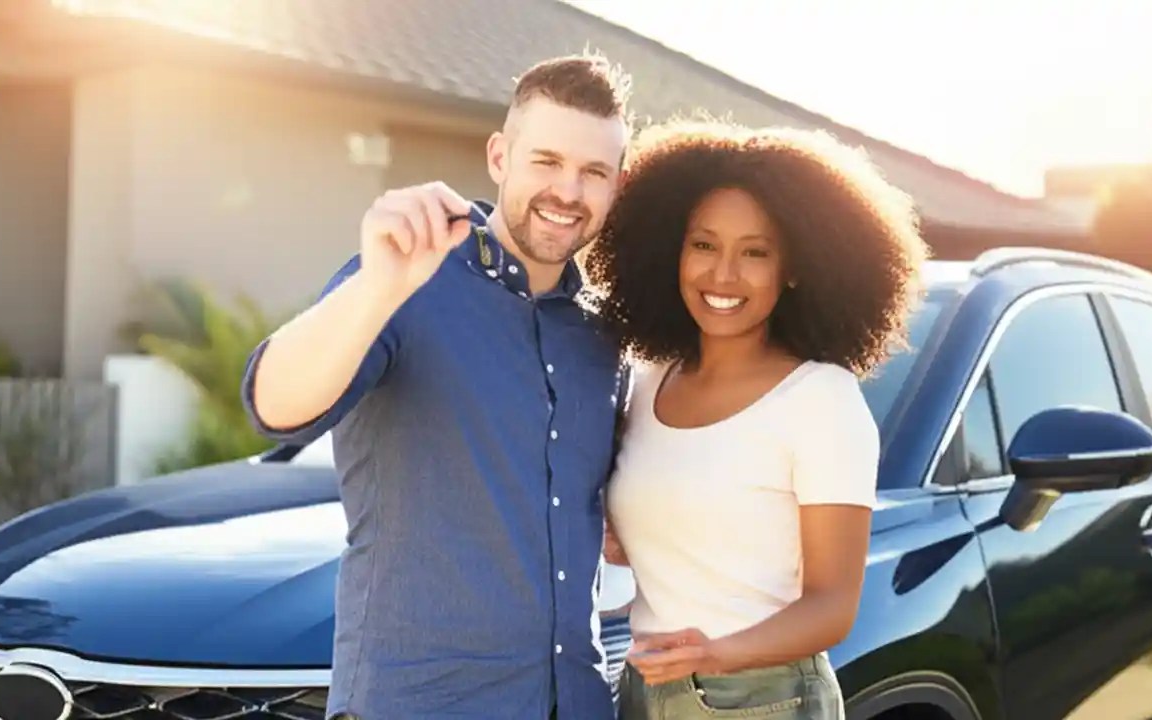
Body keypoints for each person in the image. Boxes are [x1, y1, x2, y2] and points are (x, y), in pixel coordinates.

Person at [240, 53, 633, 720]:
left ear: (616, 184)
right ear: (500, 157)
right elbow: (274, 406)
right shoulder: (409, 276)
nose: (568, 191)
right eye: (546, 161)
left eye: (594, 171)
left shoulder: (603, 335)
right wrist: (378, 286)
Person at [586, 120, 927, 719]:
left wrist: (717, 655)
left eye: (755, 253)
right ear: (672, 250)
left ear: (793, 267)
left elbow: (833, 607)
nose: (723, 275)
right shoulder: (649, 380)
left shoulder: (820, 399)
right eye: (703, 245)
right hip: (644, 692)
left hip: (762, 697)